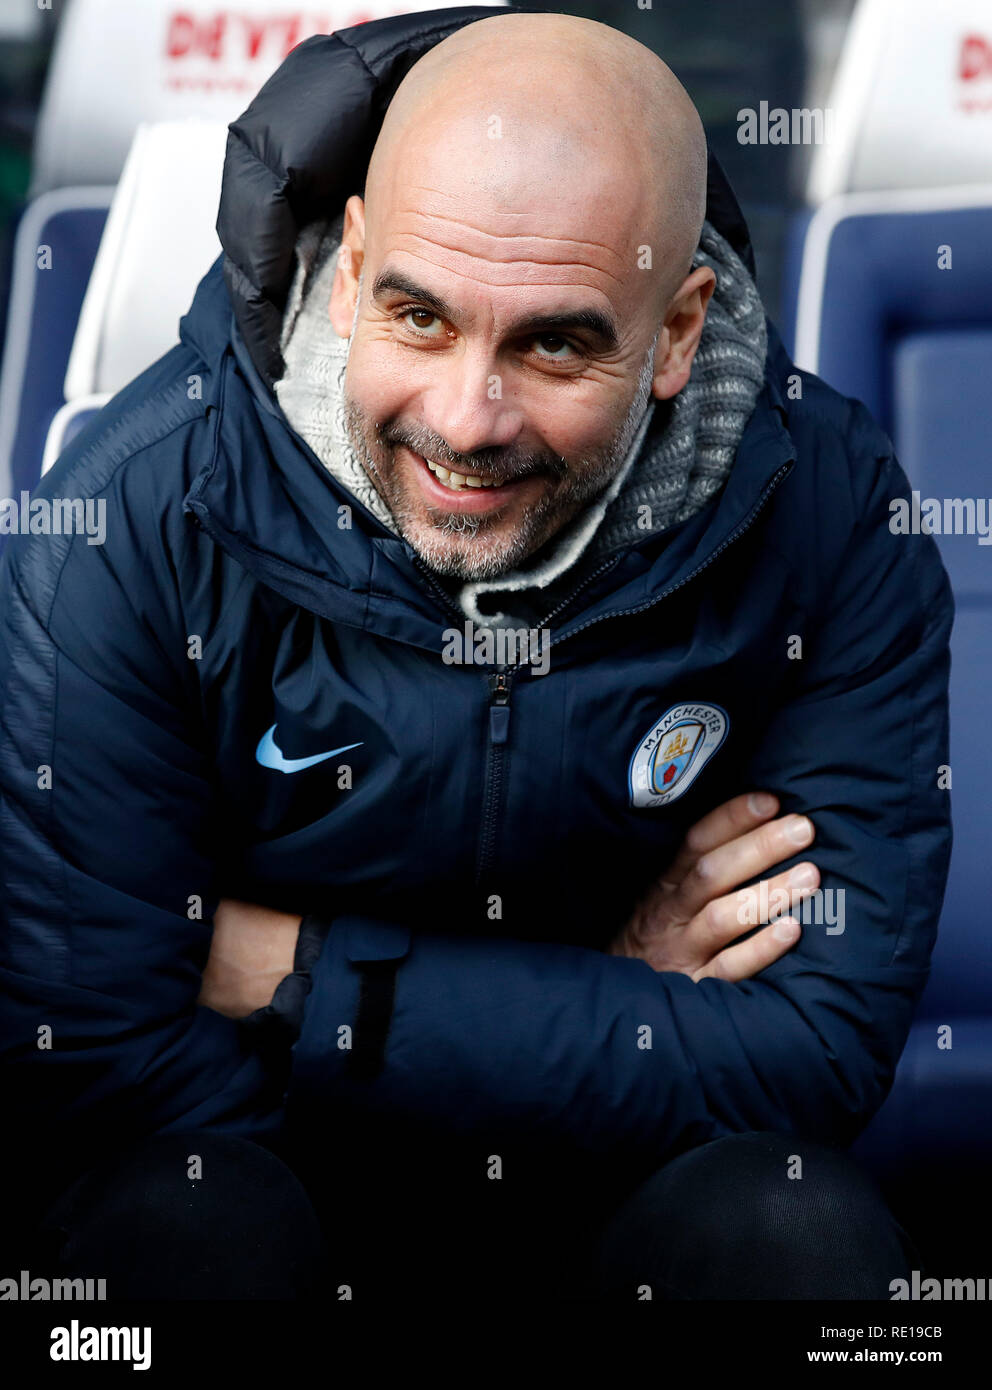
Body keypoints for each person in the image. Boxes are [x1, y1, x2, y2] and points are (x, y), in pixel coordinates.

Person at [0, 7, 951, 1301]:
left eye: (554, 340)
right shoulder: (131, 513)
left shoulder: (831, 515)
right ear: (347, 275)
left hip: (628, 1206)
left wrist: (291, 973)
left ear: (677, 333)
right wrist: (614, 989)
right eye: (419, 316)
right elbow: (95, 1062)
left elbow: (810, 1056)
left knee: (803, 1242)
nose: (466, 419)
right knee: (175, 1238)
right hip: (257, 1188)